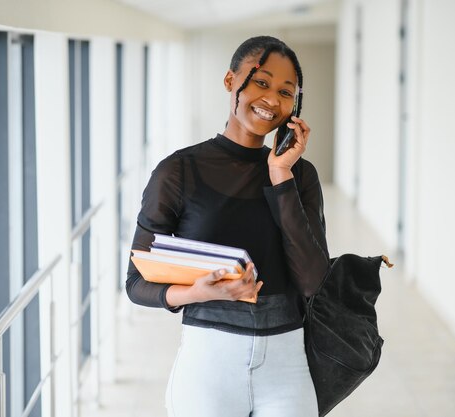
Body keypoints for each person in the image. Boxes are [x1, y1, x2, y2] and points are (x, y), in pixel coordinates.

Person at [126, 35, 330, 417]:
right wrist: (196, 292)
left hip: (287, 360)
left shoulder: (299, 175)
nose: (272, 99)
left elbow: (314, 281)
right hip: (208, 360)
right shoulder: (179, 171)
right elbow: (135, 283)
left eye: (286, 92)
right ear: (230, 81)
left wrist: (280, 175)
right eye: (261, 82)